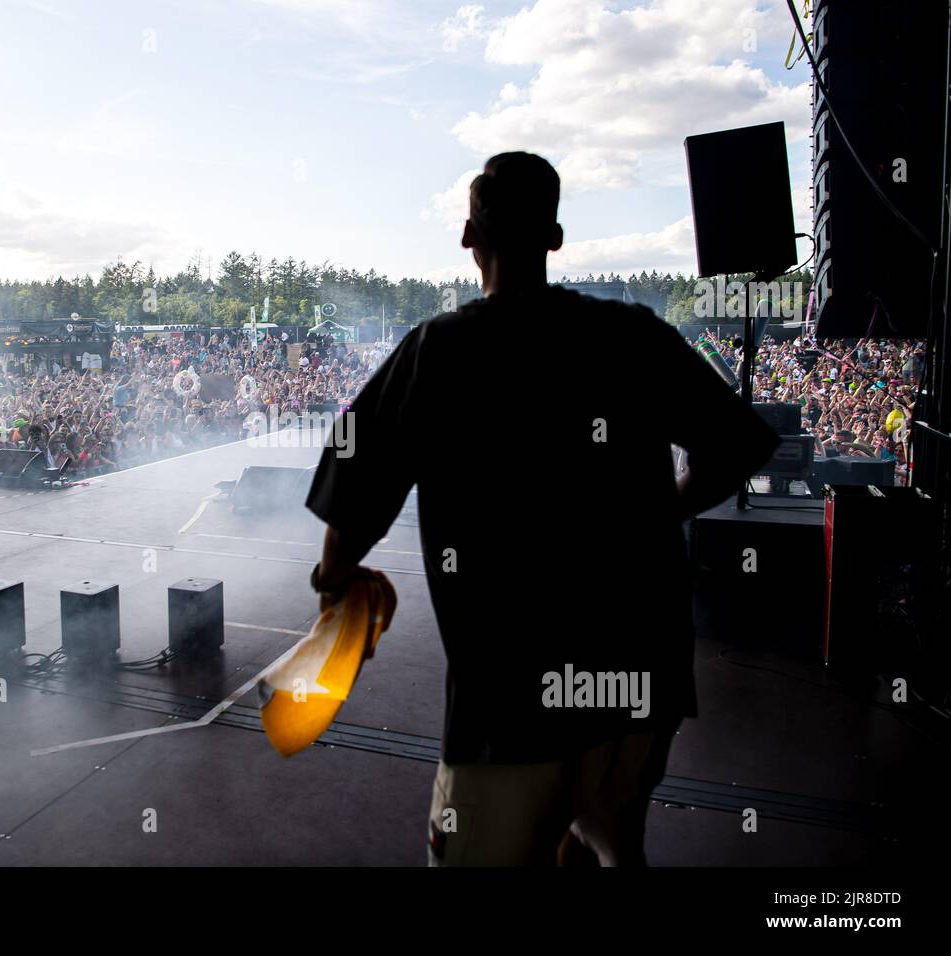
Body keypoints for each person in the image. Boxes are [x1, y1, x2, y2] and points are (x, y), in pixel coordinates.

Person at [304, 151, 780, 866]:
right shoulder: (634, 335)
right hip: (638, 680)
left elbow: (356, 494)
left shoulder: (438, 350)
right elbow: (738, 445)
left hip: (509, 702)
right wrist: (662, 512)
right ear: (555, 239)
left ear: (470, 236)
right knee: (616, 846)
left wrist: (333, 580)